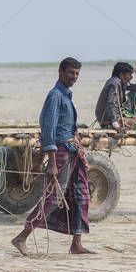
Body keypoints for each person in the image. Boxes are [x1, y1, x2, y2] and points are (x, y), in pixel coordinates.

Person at [11, 57, 94, 256]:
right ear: (60, 72)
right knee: (53, 198)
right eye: (71, 73)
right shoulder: (55, 95)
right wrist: (52, 162)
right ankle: (21, 237)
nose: (74, 77)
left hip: (74, 153)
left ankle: (76, 244)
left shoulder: (66, 96)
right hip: (62, 154)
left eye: (77, 74)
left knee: (81, 196)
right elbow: (48, 128)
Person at [95, 62, 136, 131]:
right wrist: (116, 124)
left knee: (135, 94)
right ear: (121, 75)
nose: (131, 77)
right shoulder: (115, 83)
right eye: (130, 74)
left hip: (116, 117)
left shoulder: (122, 83)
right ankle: (114, 124)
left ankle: (125, 118)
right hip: (108, 120)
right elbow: (111, 103)